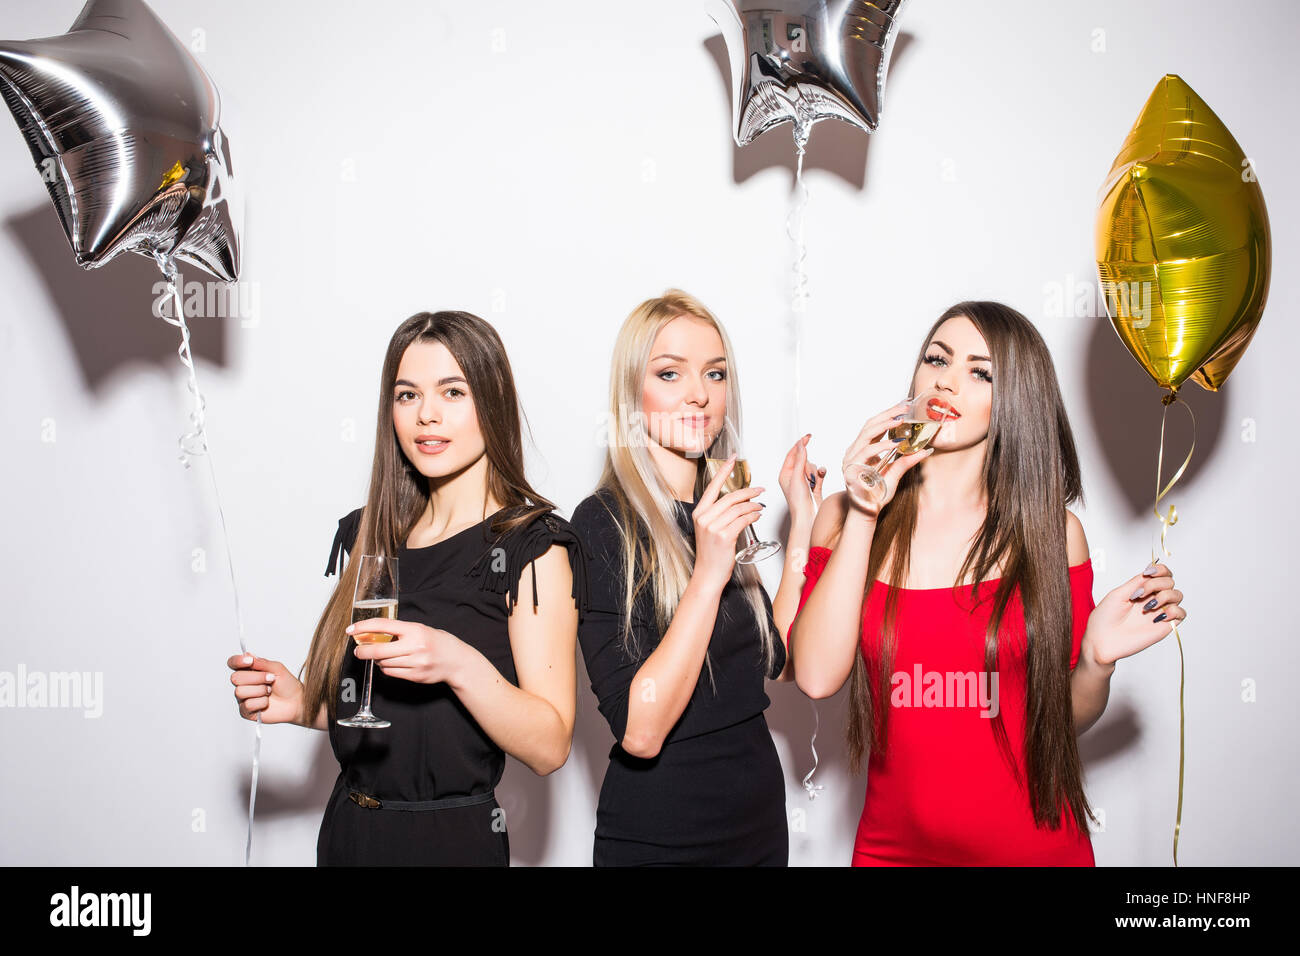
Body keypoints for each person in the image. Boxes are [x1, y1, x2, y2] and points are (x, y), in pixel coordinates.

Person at [790, 300, 1187, 866]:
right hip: (891, 852)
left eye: (981, 372)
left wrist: (1097, 660)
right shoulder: (847, 514)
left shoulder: (1053, 533)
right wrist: (864, 510)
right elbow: (816, 676)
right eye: (937, 359)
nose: (947, 381)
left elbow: (1061, 718)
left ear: (1015, 401)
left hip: (1033, 850)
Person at [227, 310, 586, 866]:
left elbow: (550, 745)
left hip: (450, 844)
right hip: (349, 835)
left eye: (452, 391)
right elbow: (386, 709)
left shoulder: (532, 547)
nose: (427, 415)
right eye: (407, 395)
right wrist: (304, 704)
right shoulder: (371, 532)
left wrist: (455, 662)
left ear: (491, 401)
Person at [571, 288, 825, 866]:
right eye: (669, 373)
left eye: (715, 373)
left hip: (758, 822)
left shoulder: (717, 505)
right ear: (631, 392)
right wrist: (708, 573)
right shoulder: (601, 522)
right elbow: (640, 730)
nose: (699, 394)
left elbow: (774, 659)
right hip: (661, 835)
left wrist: (801, 526)